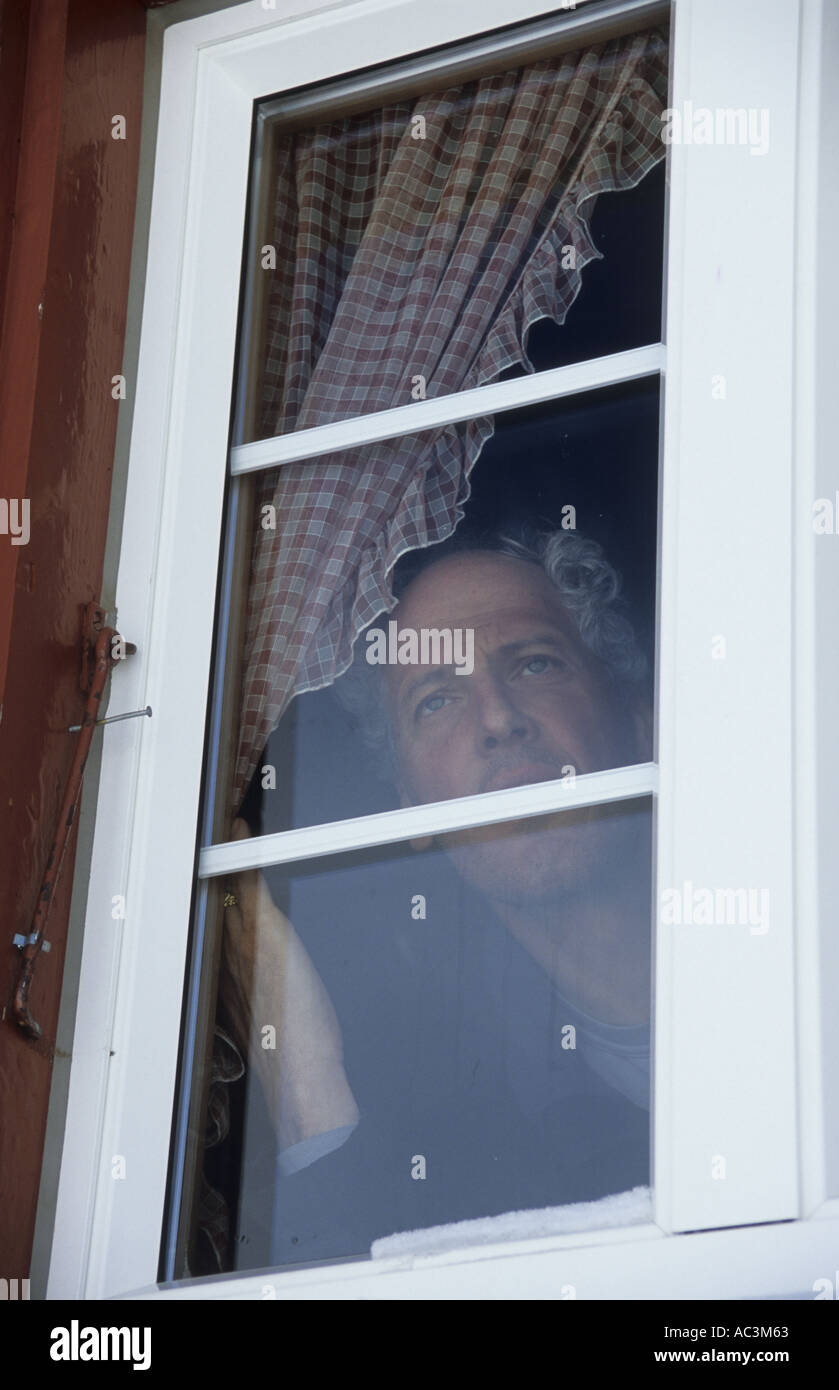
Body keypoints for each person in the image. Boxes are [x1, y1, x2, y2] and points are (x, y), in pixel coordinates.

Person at [220, 524, 654, 1267]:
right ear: (410, 809)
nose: (497, 720)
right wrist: (306, 1092)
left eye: (535, 664)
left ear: (639, 722)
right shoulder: (455, 1112)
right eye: (435, 702)